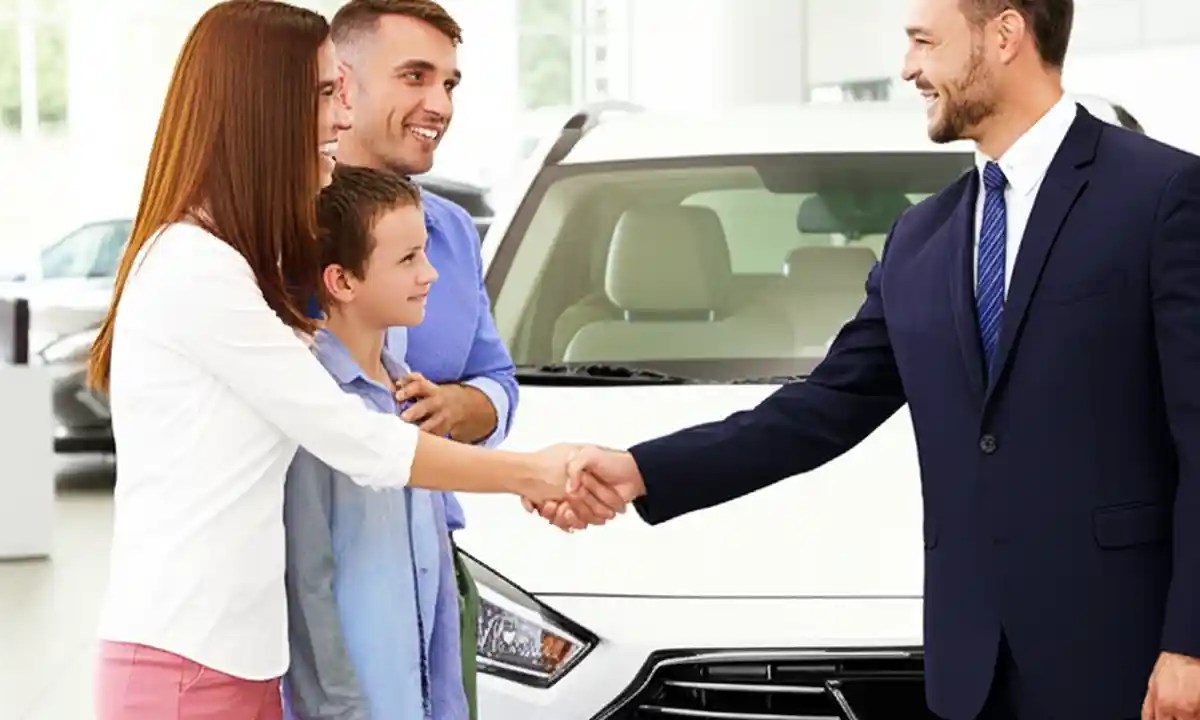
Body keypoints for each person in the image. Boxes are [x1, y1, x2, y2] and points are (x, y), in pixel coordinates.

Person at [545, 1, 1200, 719]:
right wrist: (642, 468)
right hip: (970, 672)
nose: (907, 67)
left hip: (1126, 663)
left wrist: (1190, 645)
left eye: (923, 41)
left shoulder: (1162, 195)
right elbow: (820, 409)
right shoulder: (923, 236)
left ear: (1005, 35)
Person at [84, 3, 573, 718]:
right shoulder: (197, 269)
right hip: (188, 661)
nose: (341, 118)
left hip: (233, 658)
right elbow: (355, 439)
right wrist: (531, 472)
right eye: (323, 94)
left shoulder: (234, 260)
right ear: (263, 109)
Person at [328, 1, 518, 712]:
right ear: (342, 82)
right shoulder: (279, 235)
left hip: (436, 569)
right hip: (322, 576)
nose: (438, 105)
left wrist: (468, 406)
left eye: (450, 84)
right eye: (415, 76)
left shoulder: (452, 234)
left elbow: (497, 380)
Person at [282, 165, 464, 720]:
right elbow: (306, 588)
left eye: (425, 253)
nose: (429, 274)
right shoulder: (311, 406)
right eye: (408, 259)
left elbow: (434, 585)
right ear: (341, 281)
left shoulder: (411, 396)